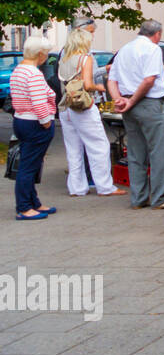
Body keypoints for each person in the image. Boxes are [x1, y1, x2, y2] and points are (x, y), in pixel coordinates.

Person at [107, 20, 164, 210]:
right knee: (158, 151)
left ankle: (139, 198)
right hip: (148, 103)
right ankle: (161, 197)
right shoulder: (152, 49)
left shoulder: (124, 49)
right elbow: (149, 80)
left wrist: (119, 99)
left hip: (129, 103)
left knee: (136, 152)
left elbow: (112, 79)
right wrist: (132, 100)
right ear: (157, 34)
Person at [57, 26, 124, 198]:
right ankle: (105, 186)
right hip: (83, 106)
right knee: (99, 146)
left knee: (73, 148)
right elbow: (88, 85)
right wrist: (102, 87)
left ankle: (76, 187)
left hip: (66, 106)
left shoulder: (64, 59)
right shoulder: (85, 58)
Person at [11, 36, 58, 220]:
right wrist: (47, 121)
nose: (46, 57)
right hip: (35, 123)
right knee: (29, 167)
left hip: (21, 120)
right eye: (46, 53)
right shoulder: (34, 74)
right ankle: (24, 207)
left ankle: (33, 203)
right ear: (40, 54)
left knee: (30, 164)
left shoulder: (19, 70)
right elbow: (39, 103)